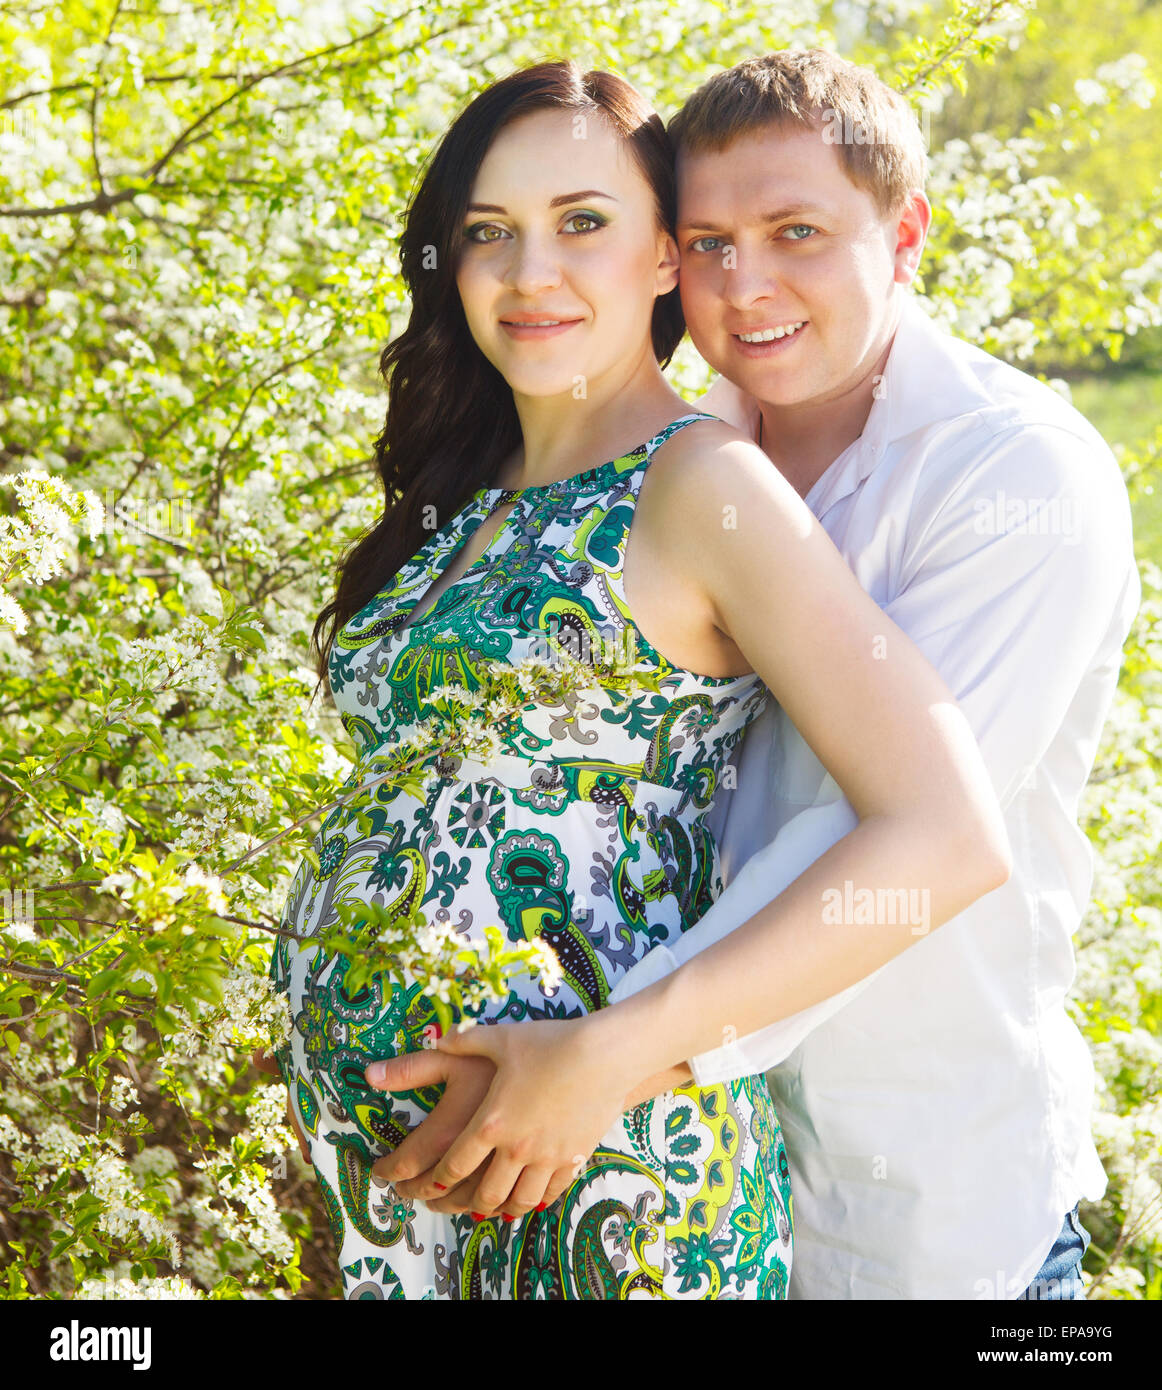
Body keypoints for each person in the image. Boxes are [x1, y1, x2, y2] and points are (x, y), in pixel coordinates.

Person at [371, 51, 1139, 1301]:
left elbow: (909, 860)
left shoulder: (1016, 481)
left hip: (930, 1206)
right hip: (685, 1181)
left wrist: (610, 1055)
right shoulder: (681, 453)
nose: (747, 284)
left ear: (904, 234)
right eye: (710, 241)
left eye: (797, 234)